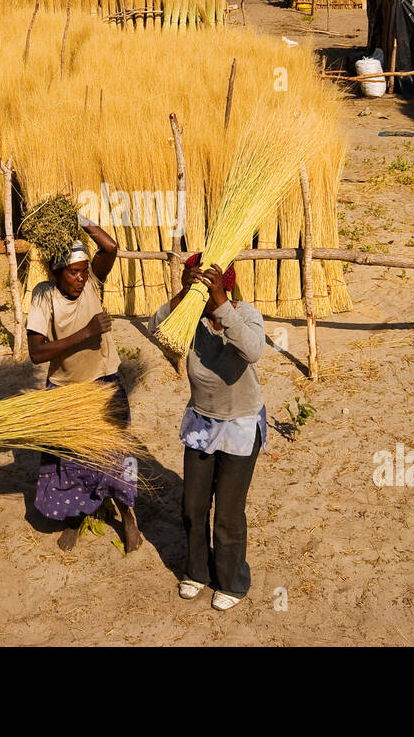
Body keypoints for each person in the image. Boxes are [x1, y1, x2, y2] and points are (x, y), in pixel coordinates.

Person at [149, 253, 266, 612]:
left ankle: (231, 580)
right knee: (193, 505)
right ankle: (197, 572)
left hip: (241, 424)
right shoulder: (188, 321)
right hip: (202, 421)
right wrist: (184, 296)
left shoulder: (245, 314)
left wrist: (221, 307)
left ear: (224, 286)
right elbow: (156, 327)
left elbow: (254, 350)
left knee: (229, 513)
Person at [26, 218, 141, 553]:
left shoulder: (93, 283)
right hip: (66, 388)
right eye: (72, 272)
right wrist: (86, 333)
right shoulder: (43, 297)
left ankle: (128, 517)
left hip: (104, 381)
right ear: (56, 272)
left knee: (116, 452)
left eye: (82, 270)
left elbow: (111, 248)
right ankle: (74, 517)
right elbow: (36, 352)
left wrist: (79, 220)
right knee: (69, 456)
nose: (79, 278)